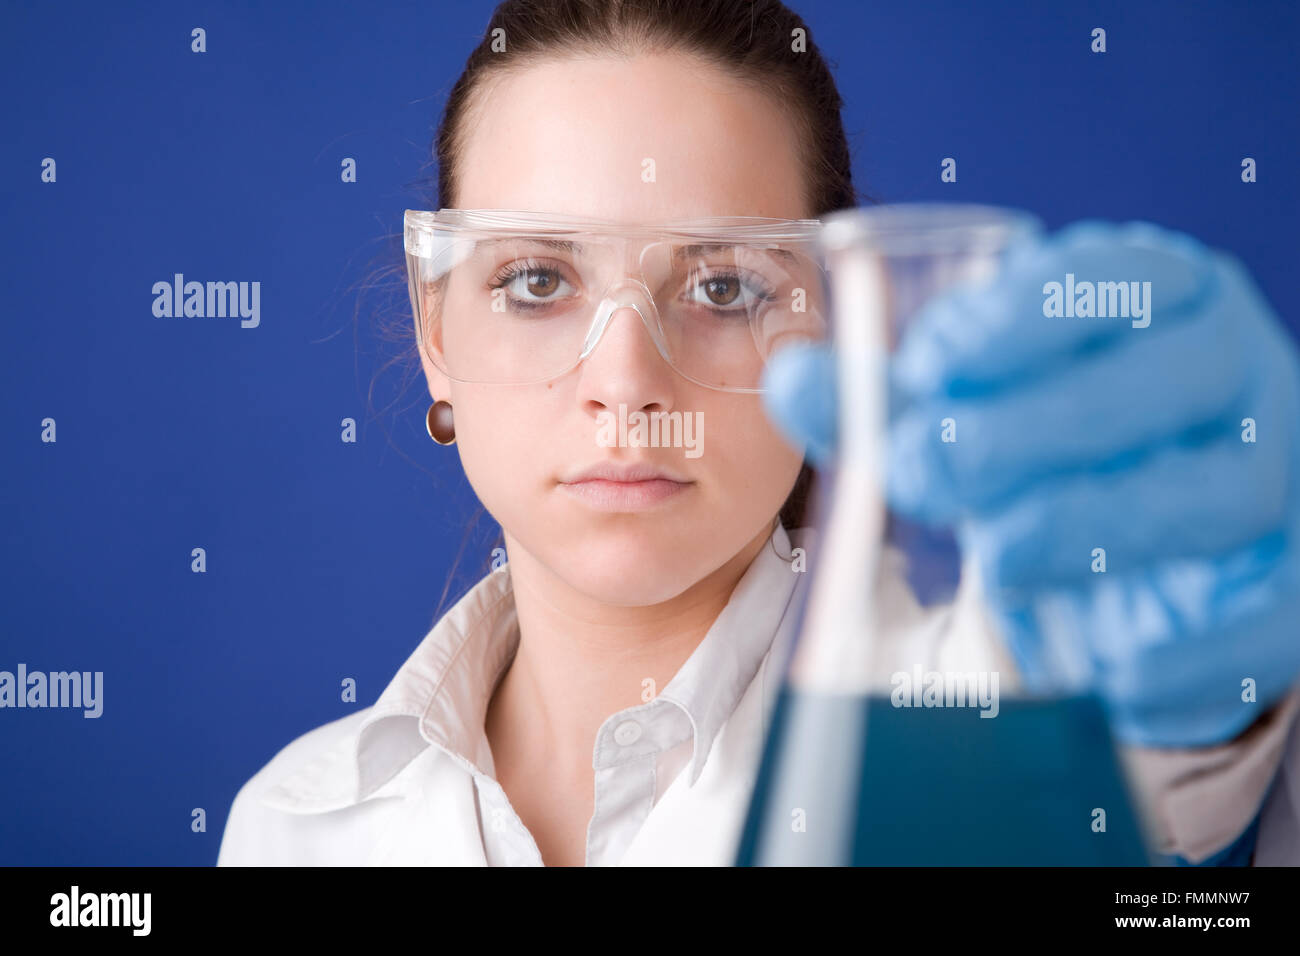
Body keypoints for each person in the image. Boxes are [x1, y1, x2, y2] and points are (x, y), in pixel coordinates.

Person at [217, 0, 1300, 866]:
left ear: (832, 318)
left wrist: (1211, 678)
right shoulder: (295, 825)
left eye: (724, 285)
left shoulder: (973, 708)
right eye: (537, 279)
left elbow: (1155, 775)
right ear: (433, 327)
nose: (627, 385)